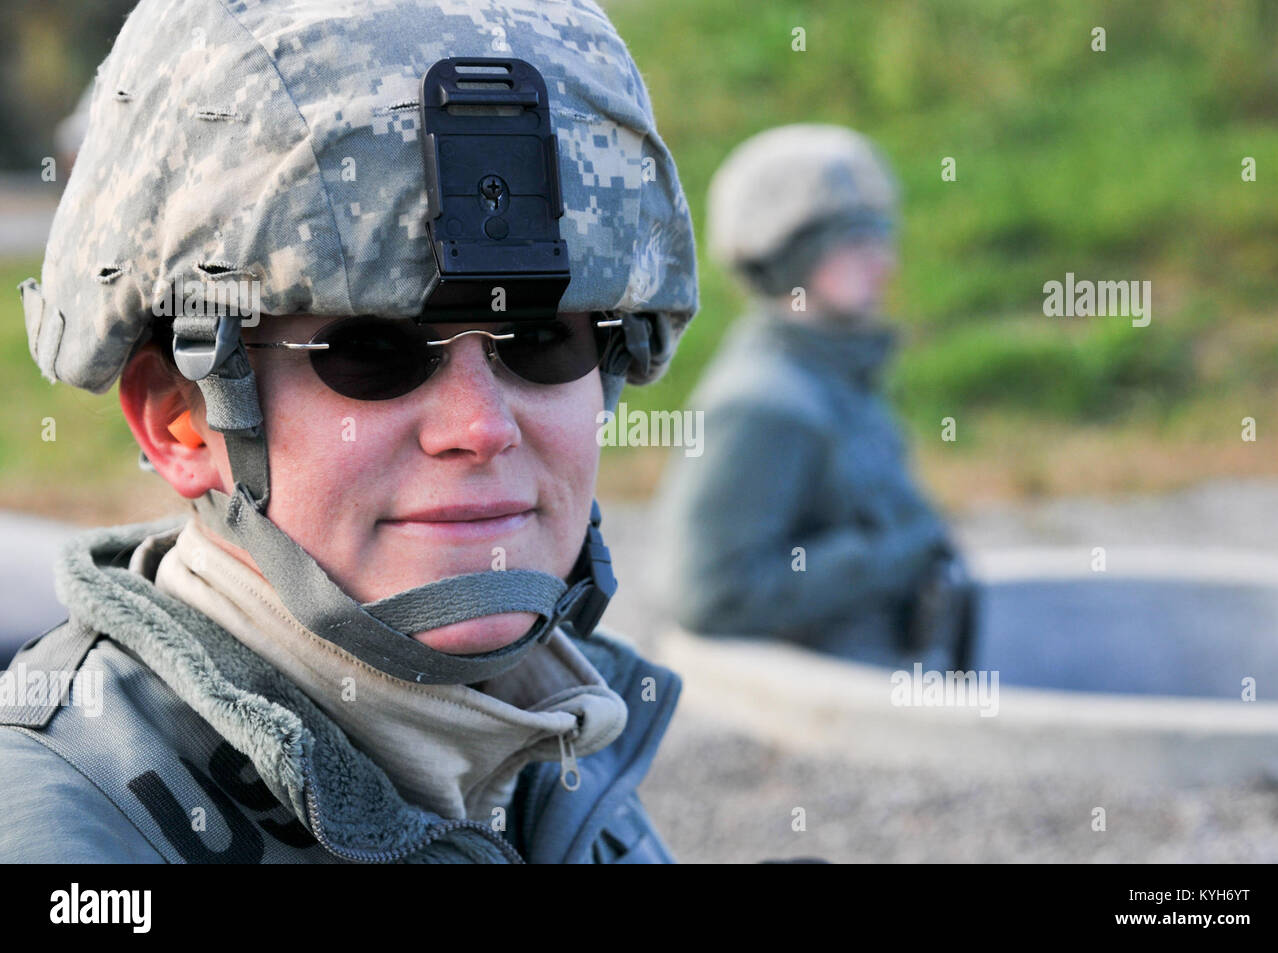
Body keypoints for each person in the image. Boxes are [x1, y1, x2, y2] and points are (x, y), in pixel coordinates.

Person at [0, 0, 697, 864]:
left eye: (545, 339)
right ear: (179, 420)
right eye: (371, 352)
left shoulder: (549, 753)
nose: (480, 427)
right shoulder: (63, 833)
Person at [654, 123, 974, 670]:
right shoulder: (761, 403)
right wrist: (899, 550)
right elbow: (711, 594)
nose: (885, 263)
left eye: (882, 237)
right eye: (856, 242)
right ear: (794, 259)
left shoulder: (831, 373)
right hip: (837, 715)